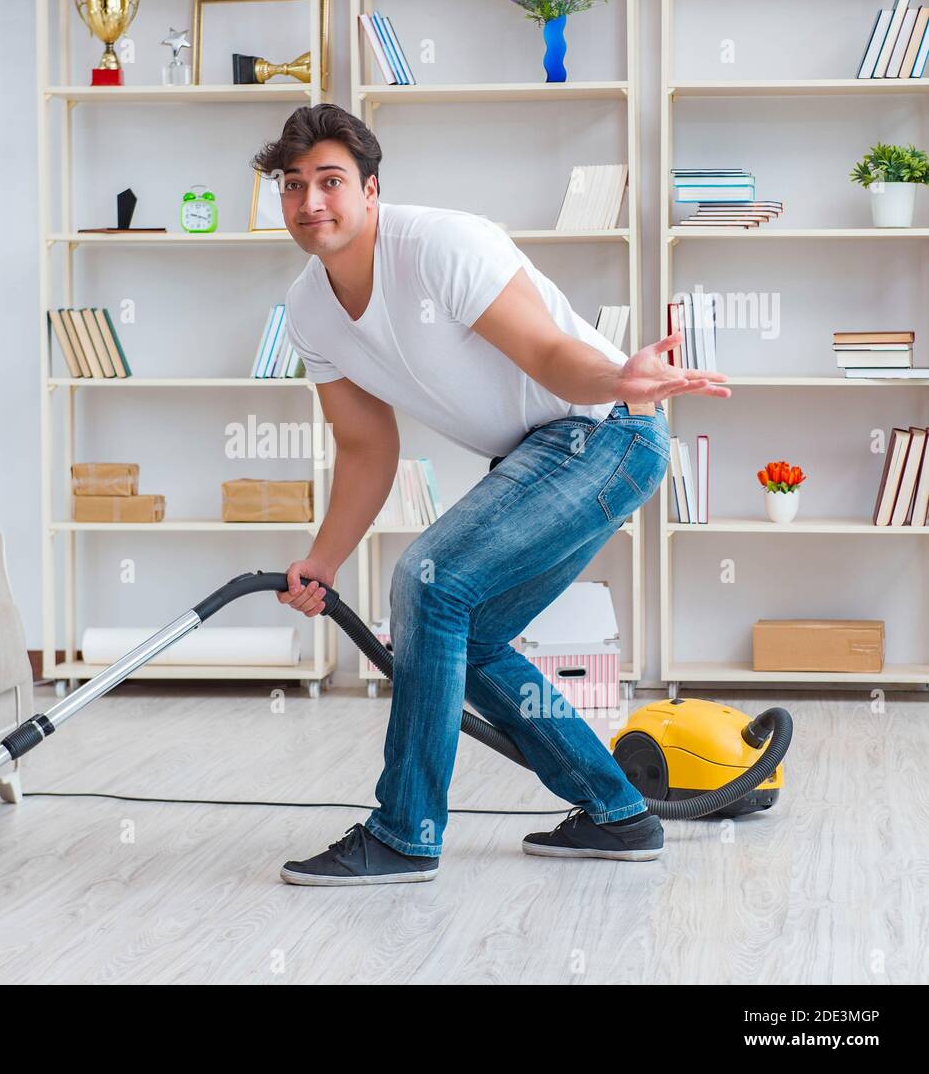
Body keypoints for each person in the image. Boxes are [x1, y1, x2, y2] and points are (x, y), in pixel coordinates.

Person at [251, 104, 731, 886]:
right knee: (461, 636)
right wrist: (325, 559)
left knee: (428, 583)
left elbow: (546, 351)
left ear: (372, 190)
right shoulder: (308, 308)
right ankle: (618, 813)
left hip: (605, 431)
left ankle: (405, 834)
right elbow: (368, 447)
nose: (311, 203)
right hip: (547, 451)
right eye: (293, 185)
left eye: (331, 181)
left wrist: (617, 376)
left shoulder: (442, 246)